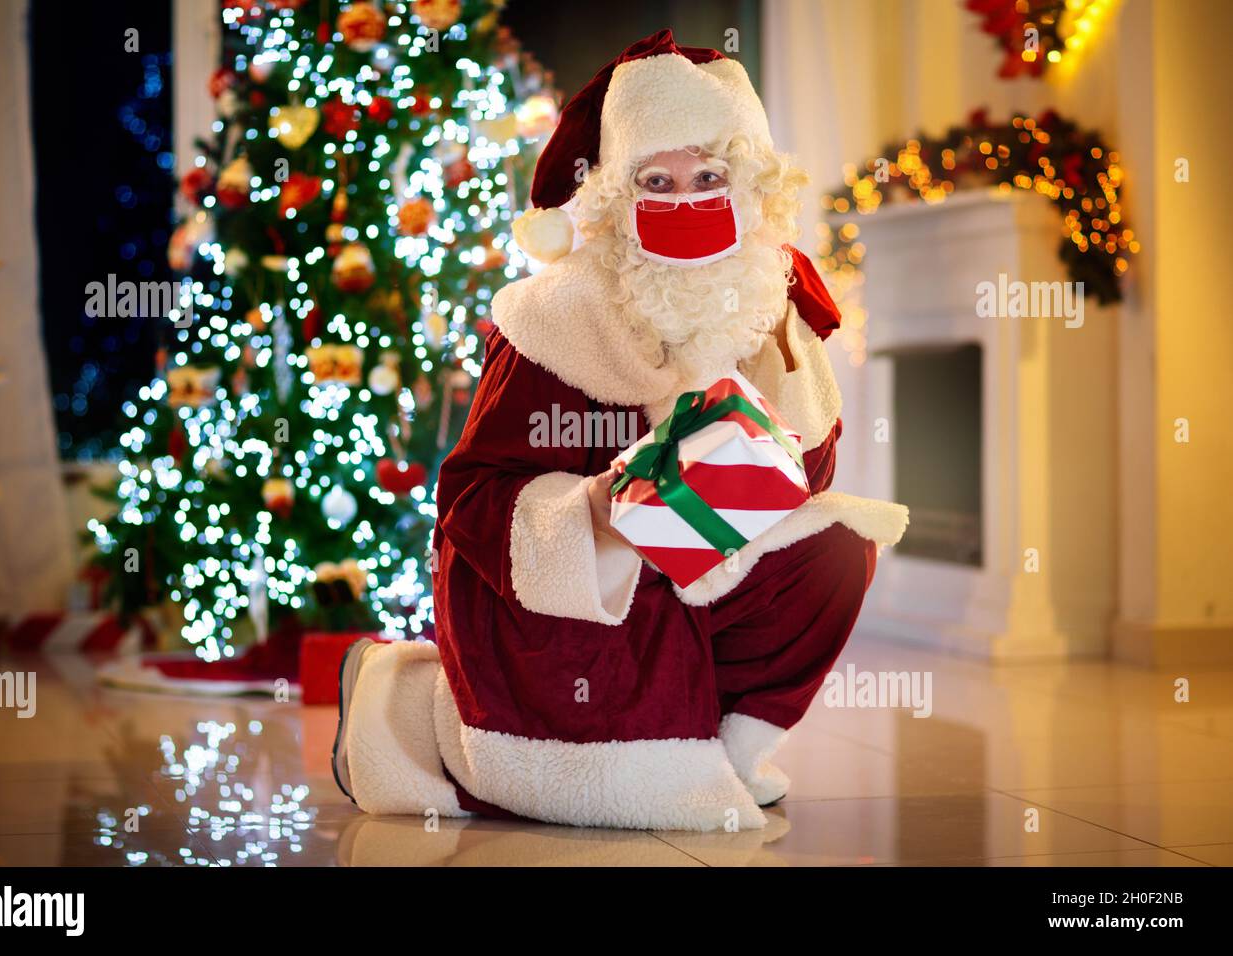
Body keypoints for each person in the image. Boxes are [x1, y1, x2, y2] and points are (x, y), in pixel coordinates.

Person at [332, 30, 907, 831]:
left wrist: (756, 450)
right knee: (634, 789)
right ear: (617, 196)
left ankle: (726, 748)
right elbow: (469, 497)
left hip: (712, 577)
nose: (686, 199)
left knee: (841, 547)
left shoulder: (775, 308)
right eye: (656, 179)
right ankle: (418, 718)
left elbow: (809, 473)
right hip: (577, 602)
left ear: (747, 186)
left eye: (709, 175)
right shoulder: (554, 316)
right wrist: (600, 514)